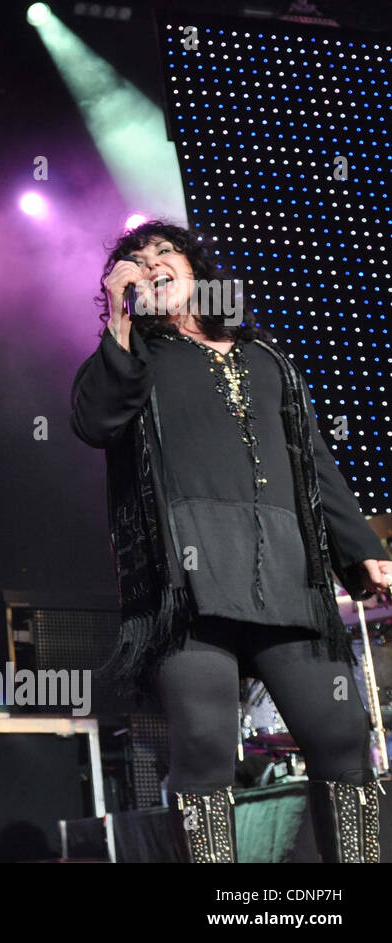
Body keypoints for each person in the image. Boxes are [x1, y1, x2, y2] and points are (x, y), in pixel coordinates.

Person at [70, 220, 391, 863]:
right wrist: (119, 321)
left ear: (196, 270)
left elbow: (313, 461)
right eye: (136, 259)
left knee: (341, 737)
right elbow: (95, 420)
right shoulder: (135, 358)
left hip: (286, 574)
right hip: (188, 582)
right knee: (203, 749)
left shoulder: (266, 358)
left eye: (164, 252)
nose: (150, 263)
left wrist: (362, 548)